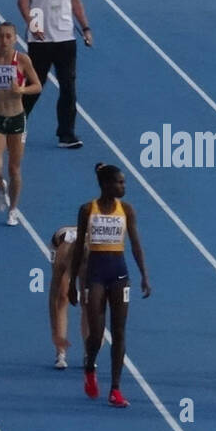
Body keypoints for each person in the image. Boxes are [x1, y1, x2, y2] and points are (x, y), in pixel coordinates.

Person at [68, 163, 150, 408]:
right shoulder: (87, 210)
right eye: (120, 182)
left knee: (120, 332)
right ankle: (90, 365)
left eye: (124, 182)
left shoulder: (127, 210)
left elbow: (135, 244)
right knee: (95, 333)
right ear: (106, 185)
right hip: (95, 274)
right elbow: (78, 250)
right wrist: (72, 282)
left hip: (119, 275)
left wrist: (144, 275)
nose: (123, 186)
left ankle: (115, 388)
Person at [18, 0, 92, 149]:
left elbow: (76, 1)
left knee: (69, 87)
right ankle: (14, 124)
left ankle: (66, 134)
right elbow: (22, 0)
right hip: (40, 40)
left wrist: (86, 28)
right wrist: (32, 23)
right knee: (35, 86)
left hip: (66, 37)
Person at [0, 22, 43, 227]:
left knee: (14, 168)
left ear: (15, 38)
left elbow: (37, 86)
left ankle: (13, 210)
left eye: (8, 36)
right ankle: (1, 188)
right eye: (1, 36)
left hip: (17, 119)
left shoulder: (22, 60)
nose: (4, 40)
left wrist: (21, 91)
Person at [49, 224, 88, 369]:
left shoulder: (93, 255)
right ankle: (60, 353)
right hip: (61, 243)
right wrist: (56, 335)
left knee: (87, 300)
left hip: (86, 250)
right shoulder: (63, 252)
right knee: (62, 297)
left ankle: (88, 353)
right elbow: (53, 298)